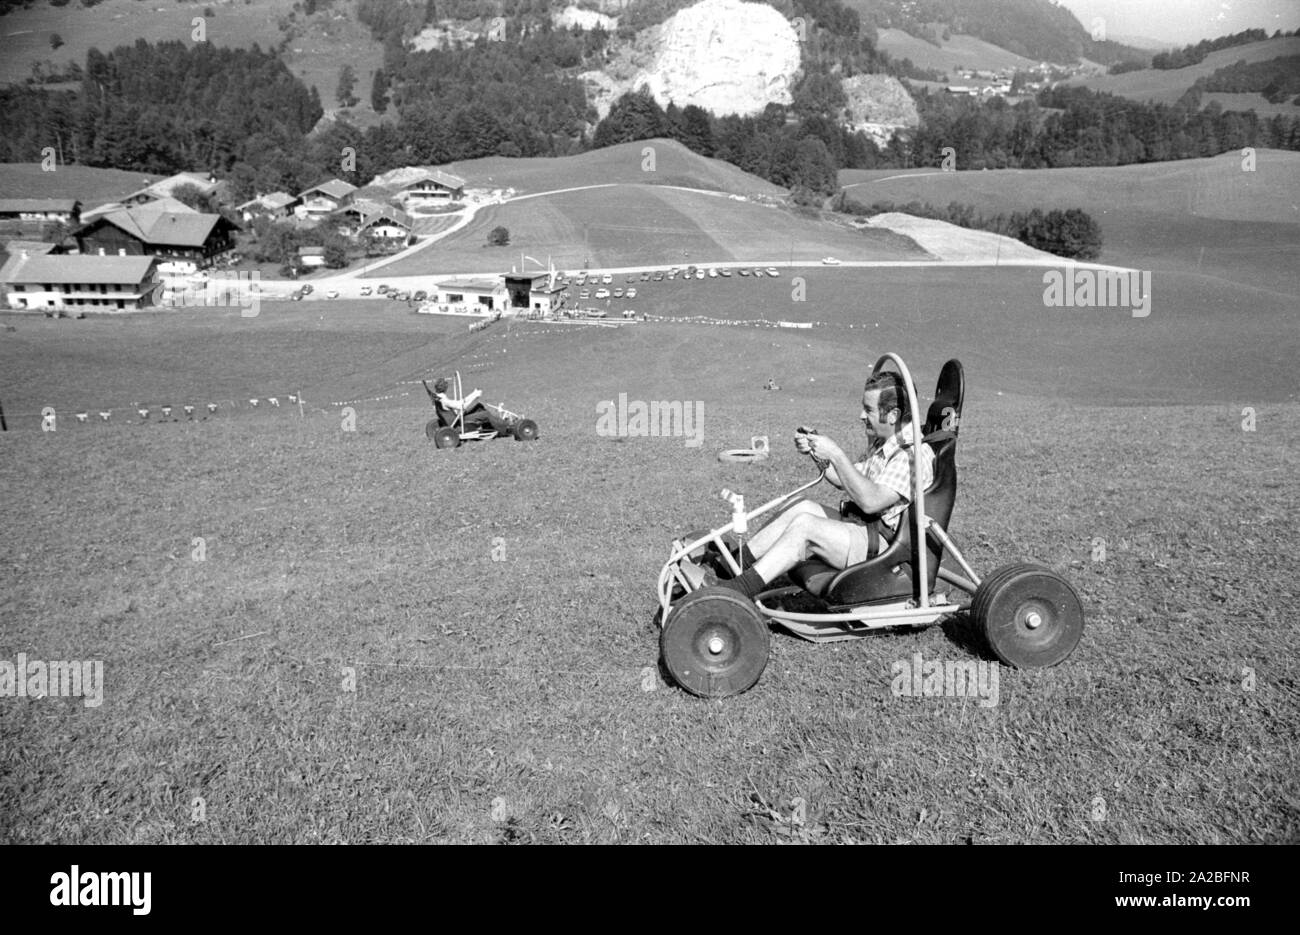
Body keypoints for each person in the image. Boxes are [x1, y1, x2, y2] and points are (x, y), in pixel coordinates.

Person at [713, 369, 935, 599]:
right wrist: (816, 452)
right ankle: (729, 565)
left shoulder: (912, 454)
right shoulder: (886, 444)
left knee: (806, 526)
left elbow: (870, 502)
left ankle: (737, 591)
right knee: (800, 505)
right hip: (864, 530)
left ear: (892, 415)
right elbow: (846, 481)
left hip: (885, 549)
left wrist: (836, 454)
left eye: (868, 409)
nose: (861, 415)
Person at [431, 378, 513, 434]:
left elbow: (459, 403)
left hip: (455, 419)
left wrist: (473, 394)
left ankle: (492, 425)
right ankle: (505, 428)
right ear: (446, 388)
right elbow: (461, 405)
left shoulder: (437, 398)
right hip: (459, 423)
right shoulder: (444, 400)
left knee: (478, 406)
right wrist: (474, 395)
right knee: (485, 414)